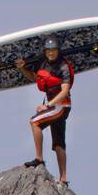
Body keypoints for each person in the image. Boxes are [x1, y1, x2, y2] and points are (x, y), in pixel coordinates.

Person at [15, 35, 73, 183]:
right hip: (54, 106)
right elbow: (35, 78)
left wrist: (48, 105)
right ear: (45, 51)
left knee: (35, 122)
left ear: (58, 51)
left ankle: (39, 159)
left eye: (53, 50)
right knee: (59, 143)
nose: (51, 53)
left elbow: (64, 91)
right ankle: (64, 179)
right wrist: (22, 69)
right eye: (48, 51)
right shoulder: (43, 63)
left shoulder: (63, 66)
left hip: (61, 105)